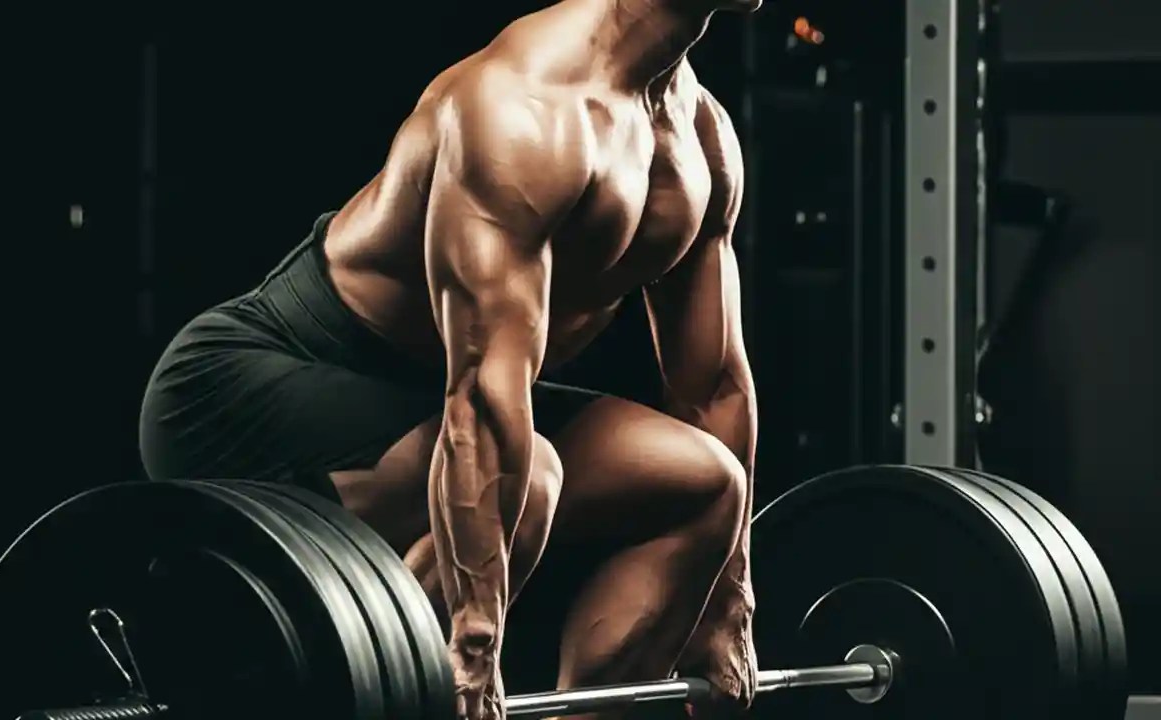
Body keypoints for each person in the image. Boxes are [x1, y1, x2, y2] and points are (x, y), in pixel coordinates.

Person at [139, 0, 764, 717]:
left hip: (433, 399)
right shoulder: (523, 107)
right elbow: (483, 396)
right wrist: (470, 650)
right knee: (525, 484)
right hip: (249, 385)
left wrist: (728, 591)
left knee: (707, 485)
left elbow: (713, 383)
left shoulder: (700, 137)